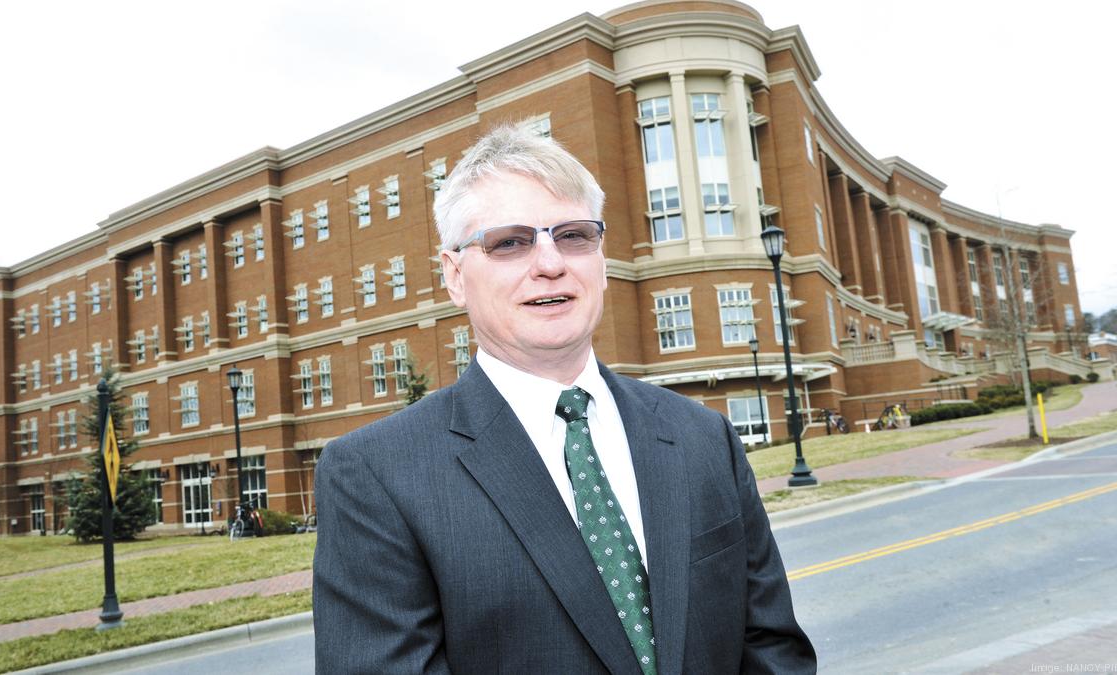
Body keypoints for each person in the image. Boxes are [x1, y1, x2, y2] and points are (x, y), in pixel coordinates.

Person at [313, 122, 816, 674]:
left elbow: (772, 650)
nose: (550, 263)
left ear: (600, 258)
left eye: (574, 236)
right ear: (455, 276)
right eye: (510, 242)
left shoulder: (702, 436)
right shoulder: (377, 474)